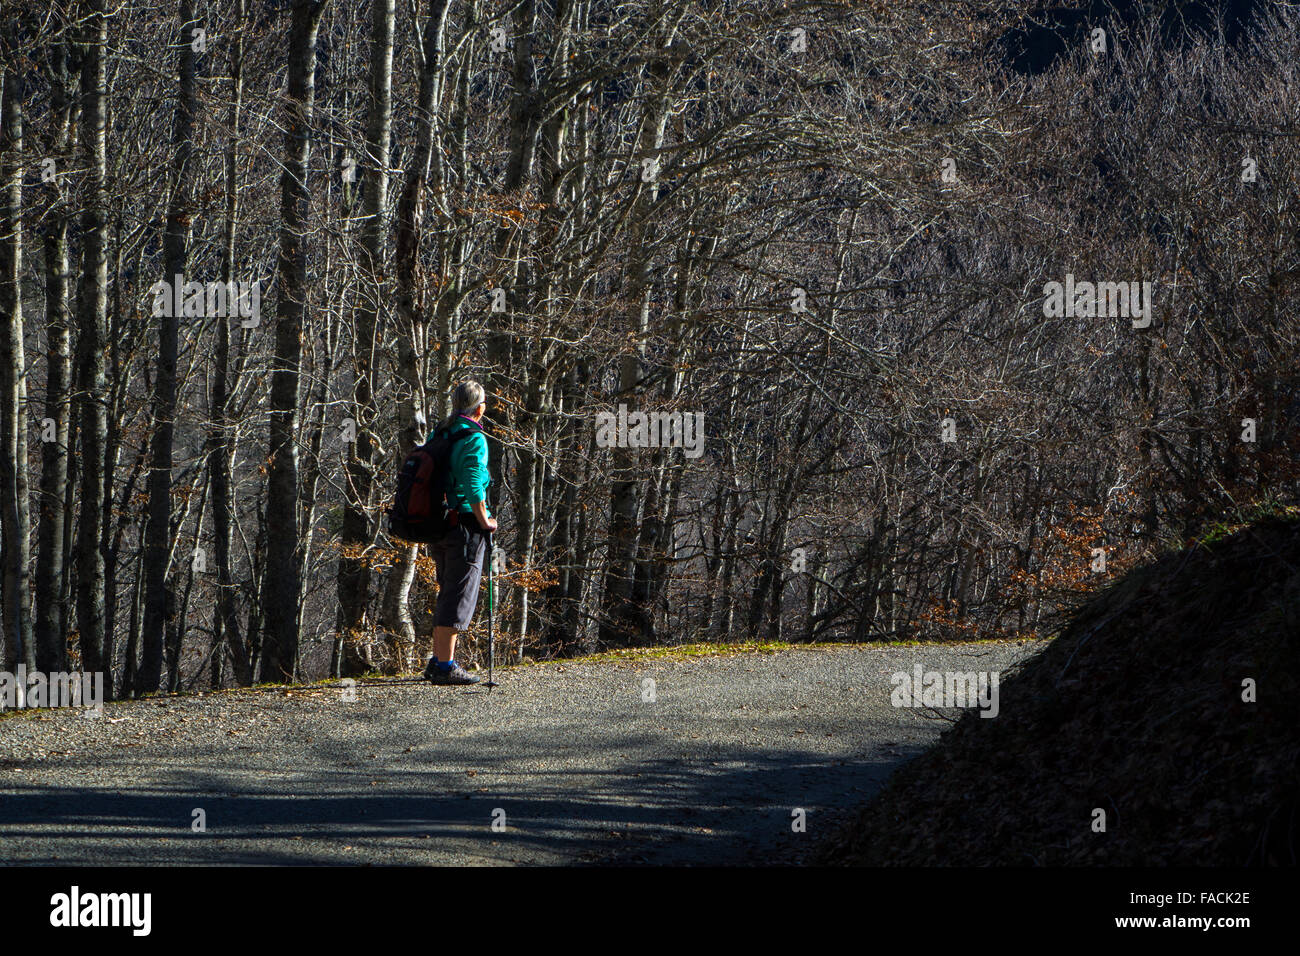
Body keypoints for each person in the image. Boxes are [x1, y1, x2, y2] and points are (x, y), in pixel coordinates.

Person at [422, 380, 498, 685]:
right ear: (479, 409)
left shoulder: (440, 431)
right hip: (464, 525)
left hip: (437, 523)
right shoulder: (473, 438)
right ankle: (445, 666)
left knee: (447, 589)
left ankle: (438, 660)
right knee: (458, 594)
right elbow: (472, 483)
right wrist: (485, 520)